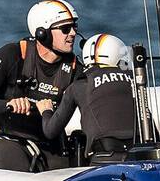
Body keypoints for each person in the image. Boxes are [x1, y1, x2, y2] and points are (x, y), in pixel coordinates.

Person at [0, 0, 81, 172]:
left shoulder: (76, 69)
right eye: (65, 29)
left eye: (75, 27)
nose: (73, 33)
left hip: (50, 141)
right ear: (42, 33)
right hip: (8, 136)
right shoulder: (13, 54)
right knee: (20, 179)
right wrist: (7, 105)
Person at [41, 33, 137, 161]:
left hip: (103, 160)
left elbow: (50, 131)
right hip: (141, 154)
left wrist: (46, 111)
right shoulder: (134, 79)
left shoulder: (79, 85)